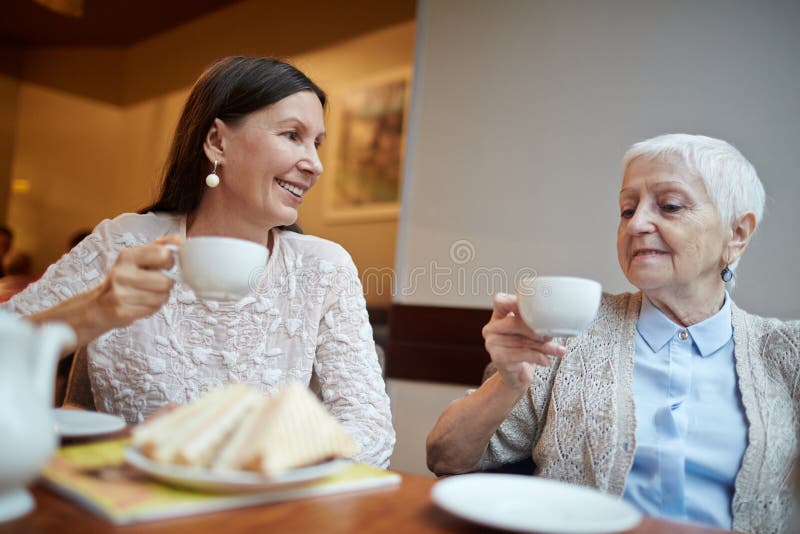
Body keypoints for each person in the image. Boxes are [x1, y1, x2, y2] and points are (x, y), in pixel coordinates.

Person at [3, 56, 395, 468]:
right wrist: (93, 312)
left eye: (316, 143)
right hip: (127, 495)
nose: (315, 164)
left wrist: (253, 460)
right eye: (292, 135)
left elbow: (370, 430)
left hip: (263, 500)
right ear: (217, 142)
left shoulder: (324, 268)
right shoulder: (122, 244)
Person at [426, 134, 799, 532]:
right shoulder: (569, 333)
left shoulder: (787, 355)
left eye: (670, 206)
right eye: (627, 209)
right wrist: (508, 382)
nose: (636, 224)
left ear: (737, 233)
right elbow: (446, 457)